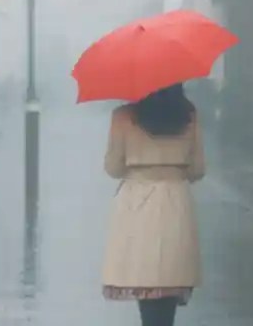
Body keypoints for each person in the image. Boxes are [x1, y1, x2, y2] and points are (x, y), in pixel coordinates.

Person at [102, 83, 206, 326]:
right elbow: (198, 169)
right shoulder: (189, 116)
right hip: (176, 201)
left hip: (137, 202)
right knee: (170, 276)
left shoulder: (123, 116)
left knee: (145, 276)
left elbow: (113, 168)